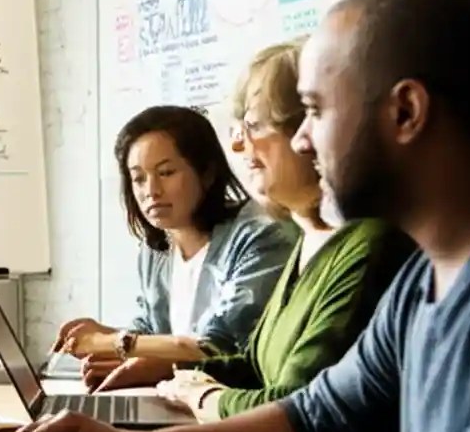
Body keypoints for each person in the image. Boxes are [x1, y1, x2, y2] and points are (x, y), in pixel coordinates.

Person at [18, 0, 470, 432]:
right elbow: (312, 418)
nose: (304, 140)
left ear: (405, 112)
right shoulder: (421, 282)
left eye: (314, 111)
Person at [101, 41, 415, 420]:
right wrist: (176, 374)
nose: (237, 144)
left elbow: (297, 409)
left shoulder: (367, 245)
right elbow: (252, 363)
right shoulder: (309, 239)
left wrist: (202, 395)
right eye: (138, 178)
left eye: (253, 126)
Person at [58, 105, 296, 389]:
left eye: (166, 172)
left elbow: (221, 346)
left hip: (233, 404)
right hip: (178, 398)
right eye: (138, 178)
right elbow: (150, 331)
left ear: (207, 173)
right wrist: (111, 345)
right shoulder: (156, 250)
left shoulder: (261, 236)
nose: (151, 191)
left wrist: (112, 342)